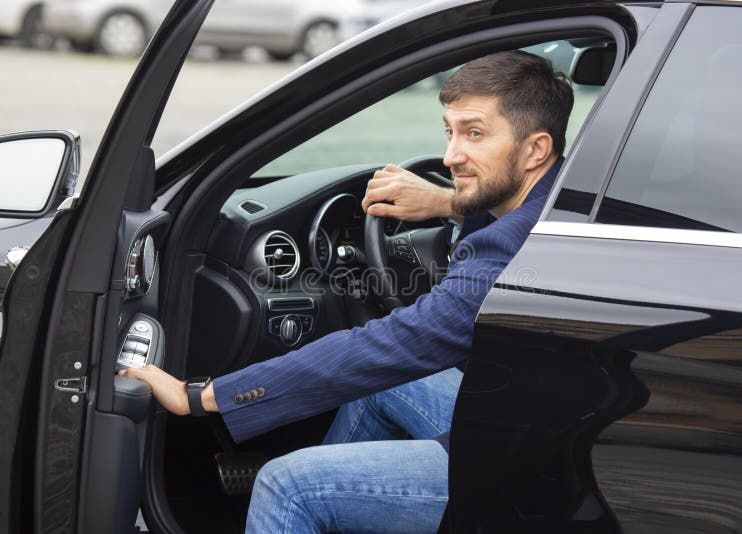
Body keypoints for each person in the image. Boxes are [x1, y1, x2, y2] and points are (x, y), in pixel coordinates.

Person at [120, 50, 574, 533]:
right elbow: (518, 211)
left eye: (475, 134)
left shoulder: (504, 256)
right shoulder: (572, 194)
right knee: (385, 383)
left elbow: (393, 344)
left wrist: (201, 396)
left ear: (535, 150)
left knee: (286, 485)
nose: (450, 156)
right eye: (450, 131)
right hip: (541, 417)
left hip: (532, 469)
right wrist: (446, 202)